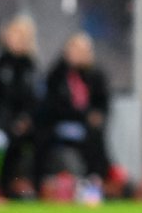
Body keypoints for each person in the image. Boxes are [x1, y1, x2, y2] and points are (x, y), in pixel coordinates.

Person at [37, 32, 118, 199]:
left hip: (85, 127)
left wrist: (97, 116)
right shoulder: (57, 74)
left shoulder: (95, 75)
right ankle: (39, 182)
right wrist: (83, 115)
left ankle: (96, 179)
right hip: (60, 125)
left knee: (95, 136)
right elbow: (52, 105)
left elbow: (103, 103)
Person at [0, 16, 40, 199]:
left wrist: (26, 119)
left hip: (22, 122)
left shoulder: (30, 66)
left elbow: (34, 99)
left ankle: (21, 185)